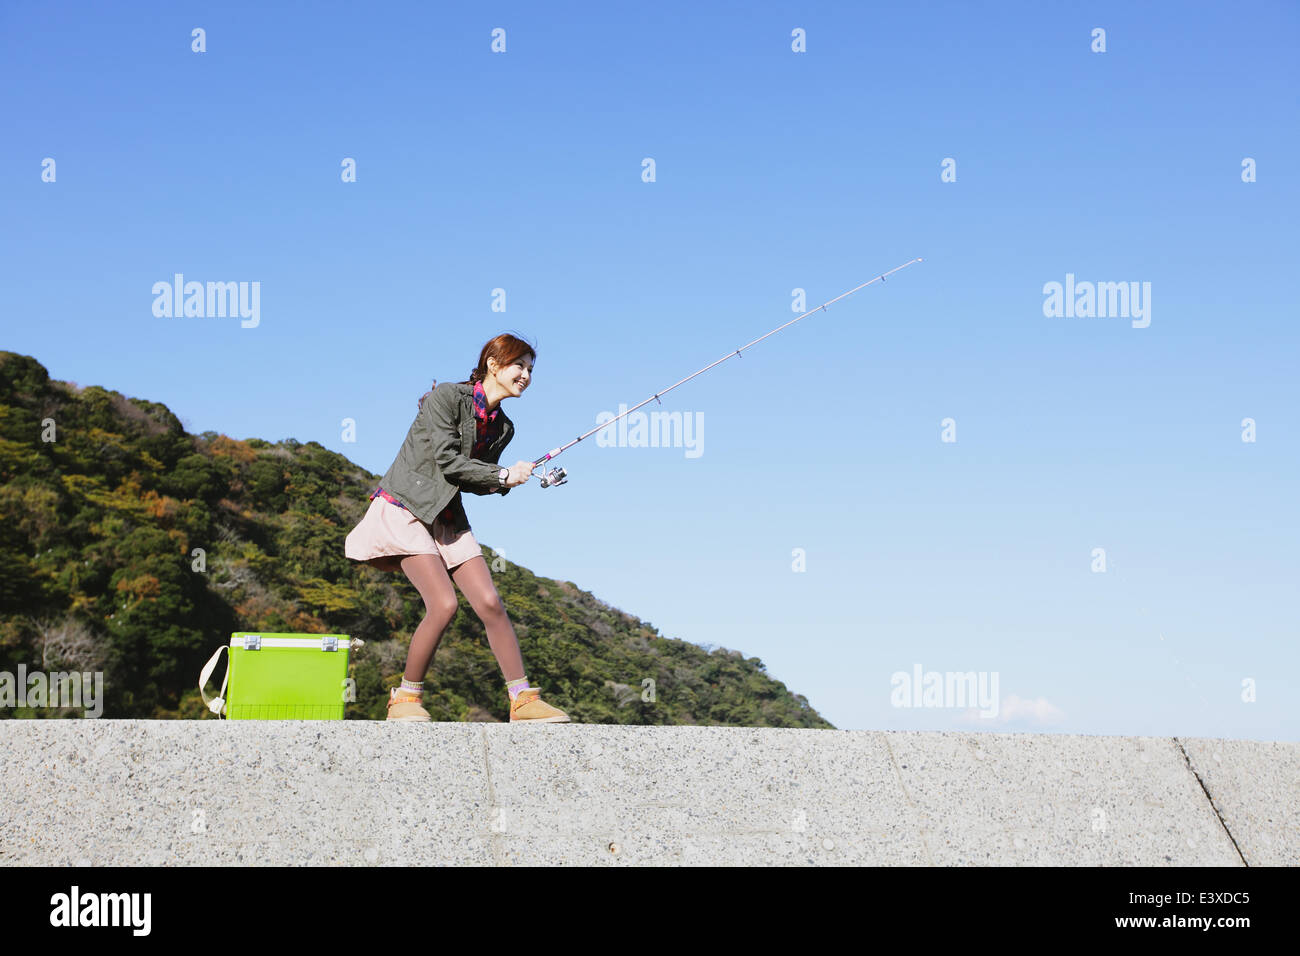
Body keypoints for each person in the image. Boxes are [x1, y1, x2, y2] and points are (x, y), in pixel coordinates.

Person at [344, 333, 570, 723]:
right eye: (520, 365)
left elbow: (472, 481)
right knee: (444, 604)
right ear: (494, 364)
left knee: (489, 603)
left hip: (446, 515)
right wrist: (502, 474)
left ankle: (522, 701)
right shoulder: (447, 397)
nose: (526, 375)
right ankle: (405, 701)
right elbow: (448, 461)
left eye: (531, 369)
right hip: (406, 507)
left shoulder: (503, 428)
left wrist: (513, 477)